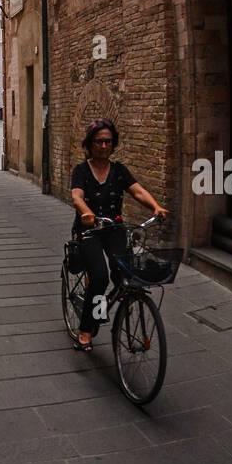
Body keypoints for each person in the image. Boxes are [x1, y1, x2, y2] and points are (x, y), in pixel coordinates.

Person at [70, 119, 167, 351]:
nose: (104, 146)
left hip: (113, 228)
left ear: (113, 145)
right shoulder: (81, 170)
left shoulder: (119, 170)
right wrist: (86, 212)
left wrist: (156, 207)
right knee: (100, 276)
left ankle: (115, 302)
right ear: (90, 144)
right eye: (99, 142)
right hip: (90, 230)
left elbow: (137, 191)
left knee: (124, 271)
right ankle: (87, 328)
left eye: (108, 142)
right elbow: (76, 196)